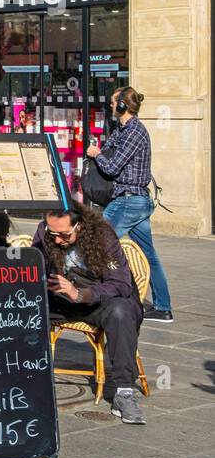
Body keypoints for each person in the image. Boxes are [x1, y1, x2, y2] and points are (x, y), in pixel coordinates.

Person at [34, 202, 147, 424]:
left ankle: (124, 392)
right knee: (22, 306)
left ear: (80, 226)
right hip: (59, 300)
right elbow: (32, 264)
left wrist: (80, 294)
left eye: (64, 235)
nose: (57, 240)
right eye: (52, 233)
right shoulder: (44, 232)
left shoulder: (103, 236)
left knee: (121, 311)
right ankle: (17, 378)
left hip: (96, 301)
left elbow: (121, 284)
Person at [87, 87, 172, 323]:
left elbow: (112, 166)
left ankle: (92, 294)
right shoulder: (122, 130)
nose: (111, 107)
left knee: (97, 240)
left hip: (129, 200)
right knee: (148, 255)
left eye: (114, 103)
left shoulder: (135, 132)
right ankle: (163, 307)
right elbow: (110, 150)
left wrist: (96, 154)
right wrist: (101, 151)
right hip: (134, 200)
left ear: (123, 106)